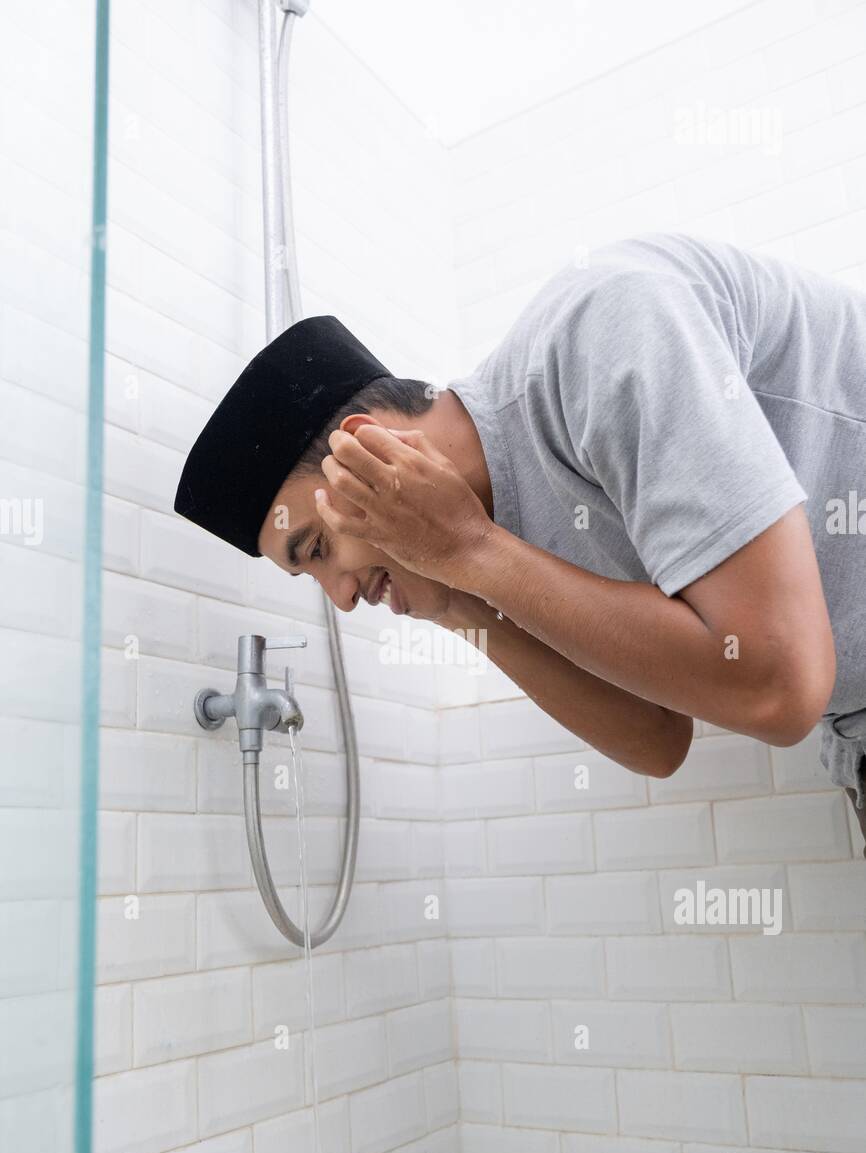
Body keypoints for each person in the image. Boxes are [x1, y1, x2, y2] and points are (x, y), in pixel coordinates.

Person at [175, 232, 866, 853]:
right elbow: (657, 739)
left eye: (318, 549)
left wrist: (470, 552)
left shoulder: (603, 328)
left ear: (368, 449)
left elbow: (779, 689)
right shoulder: (497, 537)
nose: (344, 600)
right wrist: (461, 600)